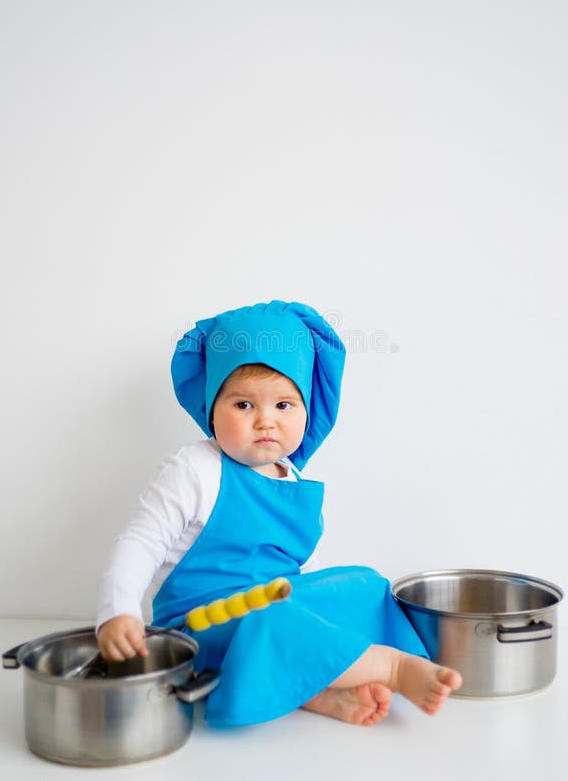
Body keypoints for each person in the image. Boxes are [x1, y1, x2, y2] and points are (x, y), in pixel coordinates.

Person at [96, 300, 462, 727]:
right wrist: (117, 611)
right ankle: (392, 667)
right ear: (212, 408)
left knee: (364, 584)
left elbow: (305, 571)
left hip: (276, 610)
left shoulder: (292, 481)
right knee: (274, 621)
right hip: (204, 626)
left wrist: (322, 611)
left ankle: (317, 688)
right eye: (244, 405)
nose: (265, 421)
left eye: (284, 406)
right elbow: (140, 542)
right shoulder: (194, 470)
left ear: (307, 410)